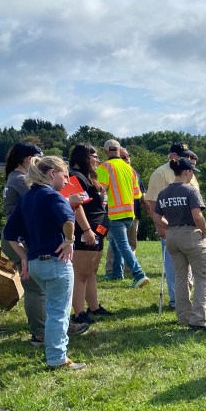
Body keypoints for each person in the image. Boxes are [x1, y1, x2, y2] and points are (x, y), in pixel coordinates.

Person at [2, 156, 86, 370]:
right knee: (59, 313)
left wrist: (23, 258)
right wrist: (69, 241)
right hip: (56, 262)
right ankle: (57, 359)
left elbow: (10, 233)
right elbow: (68, 220)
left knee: (52, 310)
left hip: (35, 264)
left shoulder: (28, 197)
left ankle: (55, 354)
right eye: (64, 175)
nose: (67, 181)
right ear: (51, 173)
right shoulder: (53, 197)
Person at [153, 157, 206, 330]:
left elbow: (156, 217)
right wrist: (205, 231)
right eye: (192, 171)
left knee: (180, 277)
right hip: (190, 235)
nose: (193, 175)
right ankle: (199, 319)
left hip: (172, 237)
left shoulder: (163, 193)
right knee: (202, 277)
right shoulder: (191, 191)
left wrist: (170, 226)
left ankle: (183, 317)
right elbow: (197, 216)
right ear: (187, 171)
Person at [1, 142, 47, 344]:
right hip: (19, 240)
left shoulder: (15, 177)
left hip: (15, 237)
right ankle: (41, 332)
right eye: (40, 160)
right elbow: (42, 203)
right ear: (30, 160)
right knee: (35, 287)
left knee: (37, 285)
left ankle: (46, 327)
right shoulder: (22, 180)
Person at [145, 143, 199, 308]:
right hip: (171, 228)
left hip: (191, 228)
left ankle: (186, 297)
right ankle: (176, 300)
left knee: (191, 267)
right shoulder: (160, 174)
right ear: (173, 156)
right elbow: (152, 203)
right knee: (174, 265)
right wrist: (161, 228)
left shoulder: (189, 171)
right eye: (183, 155)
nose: (187, 158)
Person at [67, 144, 112, 324]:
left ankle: (94, 307)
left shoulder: (89, 177)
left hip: (99, 230)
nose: (97, 160)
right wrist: (86, 230)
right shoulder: (73, 177)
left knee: (92, 271)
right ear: (83, 157)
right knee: (81, 273)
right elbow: (76, 206)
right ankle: (78, 314)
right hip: (86, 233)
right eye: (93, 156)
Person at [96, 139, 150, 288]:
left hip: (114, 214)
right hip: (129, 214)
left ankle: (139, 274)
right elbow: (137, 194)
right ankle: (116, 274)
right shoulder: (130, 169)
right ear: (119, 151)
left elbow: (101, 191)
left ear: (105, 151)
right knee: (115, 243)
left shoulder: (104, 167)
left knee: (122, 245)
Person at [106, 147, 144, 279]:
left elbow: (140, 194)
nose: (126, 159)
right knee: (117, 244)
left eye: (127, 156)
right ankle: (115, 272)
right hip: (119, 214)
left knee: (127, 244)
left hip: (130, 214)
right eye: (123, 157)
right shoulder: (116, 170)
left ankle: (132, 272)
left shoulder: (133, 172)